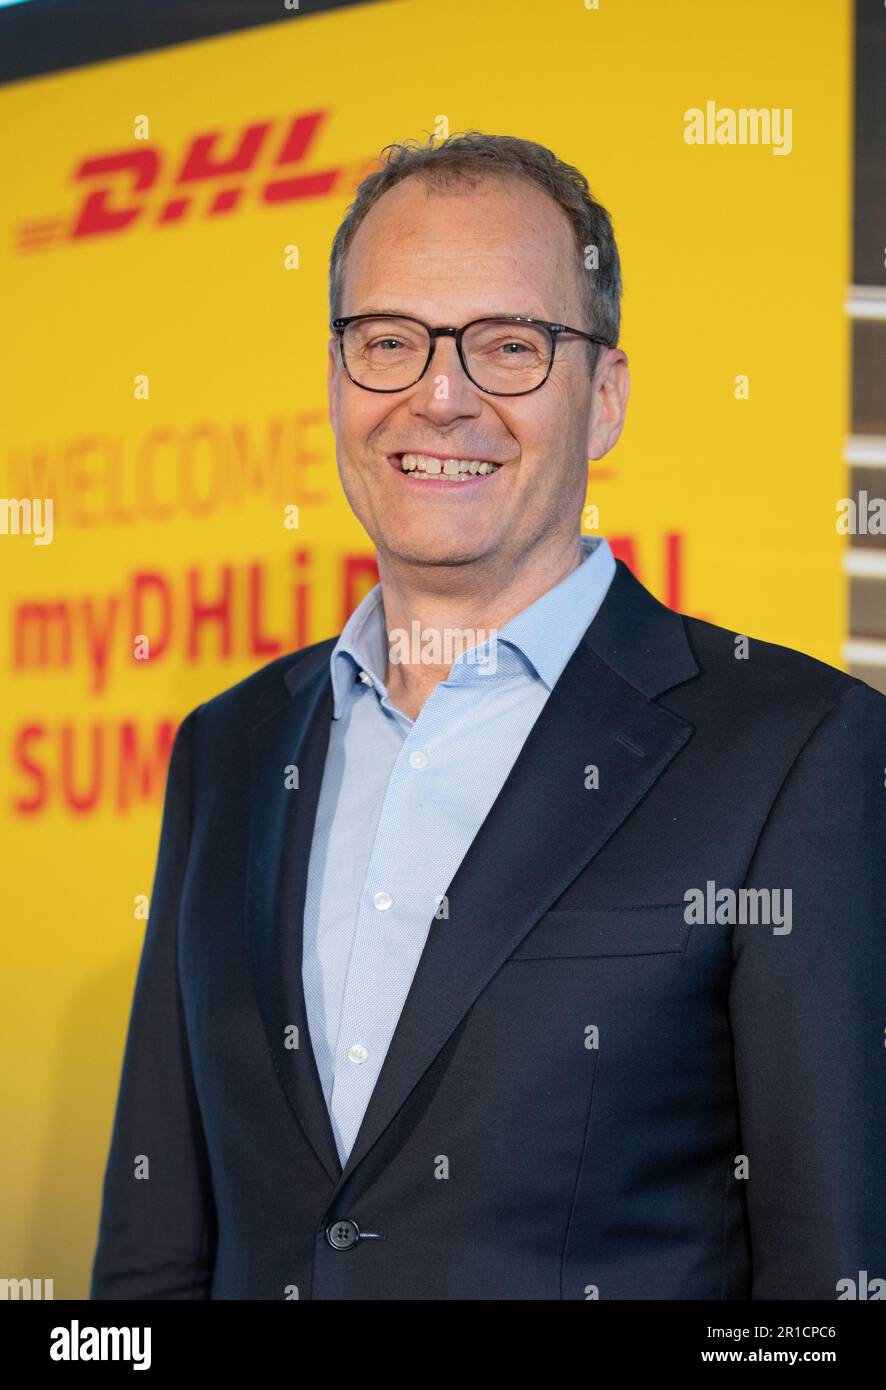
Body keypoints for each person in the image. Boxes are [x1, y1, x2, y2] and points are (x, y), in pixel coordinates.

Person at [91, 131, 886, 1300]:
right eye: (389, 341)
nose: (441, 395)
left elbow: (830, 1277)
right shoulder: (230, 746)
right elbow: (156, 1252)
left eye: (510, 345)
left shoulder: (797, 749)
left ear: (603, 397)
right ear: (334, 380)